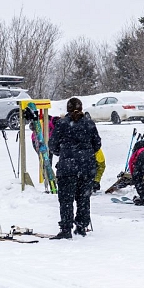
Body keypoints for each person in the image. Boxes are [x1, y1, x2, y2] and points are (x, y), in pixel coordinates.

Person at [47, 97, 102, 239]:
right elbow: (97, 144)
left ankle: (66, 229)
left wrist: (63, 153)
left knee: (66, 199)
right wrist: (86, 153)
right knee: (83, 198)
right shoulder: (89, 124)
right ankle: (82, 226)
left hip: (67, 167)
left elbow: (52, 145)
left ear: (68, 109)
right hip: (86, 167)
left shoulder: (62, 124)